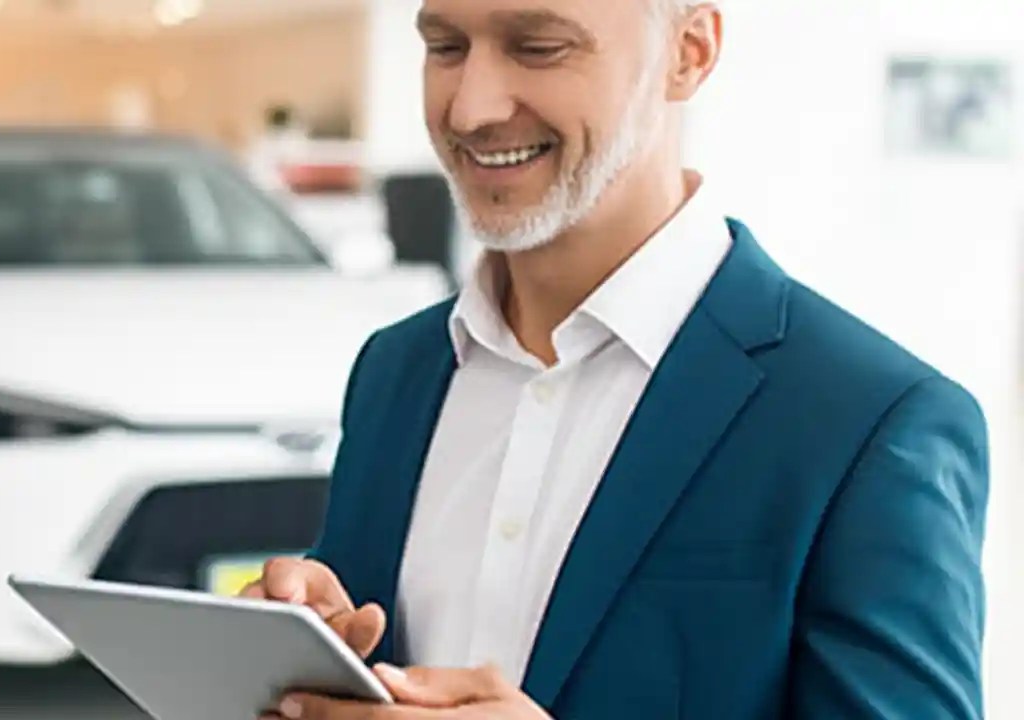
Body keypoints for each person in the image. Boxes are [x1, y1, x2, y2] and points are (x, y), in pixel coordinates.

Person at [245, 0, 990, 718]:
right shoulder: (396, 369)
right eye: (445, 47)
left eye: (538, 47)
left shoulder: (870, 423)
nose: (470, 109)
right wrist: (292, 659)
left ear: (688, 53)